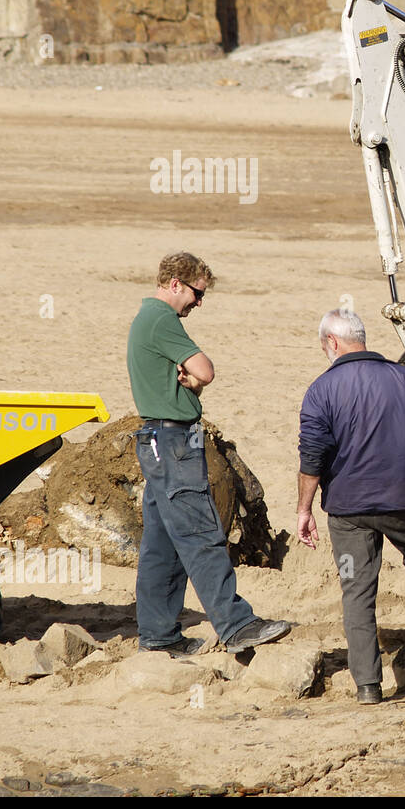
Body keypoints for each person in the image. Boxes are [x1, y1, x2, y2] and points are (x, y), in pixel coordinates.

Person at [127, 252, 291, 658]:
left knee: (162, 545)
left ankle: (160, 635)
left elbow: (191, 378)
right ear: (175, 284)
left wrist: (191, 384)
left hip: (156, 440)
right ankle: (236, 625)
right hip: (175, 442)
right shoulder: (161, 319)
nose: (199, 302)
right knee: (201, 532)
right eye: (197, 293)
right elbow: (206, 369)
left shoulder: (148, 320)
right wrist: (198, 379)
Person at [296, 309, 405, 705]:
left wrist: (304, 509)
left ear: (332, 343)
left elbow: (311, 457)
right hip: (403, 500)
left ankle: (368, 686)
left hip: (347, 510)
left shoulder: (320, 390)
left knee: (356, 591)